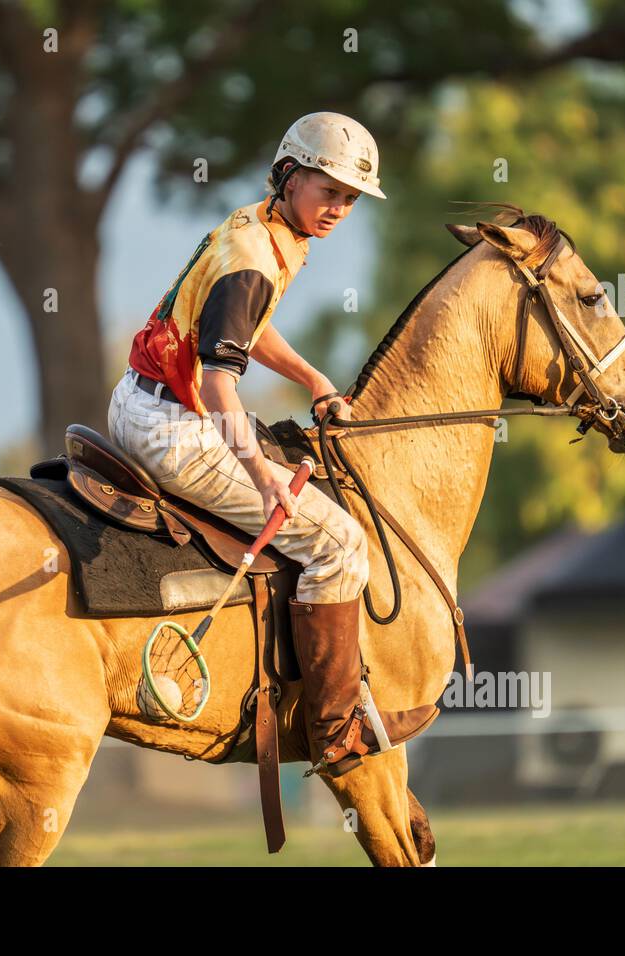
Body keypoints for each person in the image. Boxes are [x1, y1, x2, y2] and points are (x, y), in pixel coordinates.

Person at [107, 112, 437, 777]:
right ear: (289, 175)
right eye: (329, 190)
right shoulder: (255, 255)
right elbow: (225, 379)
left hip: (148, 403)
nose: (339, 208)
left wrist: (313, 378)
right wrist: (258, 472)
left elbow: (246, 332)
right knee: (339, 543)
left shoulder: (263, 225)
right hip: (174, 428)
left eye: (350, 198)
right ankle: (337, 729)